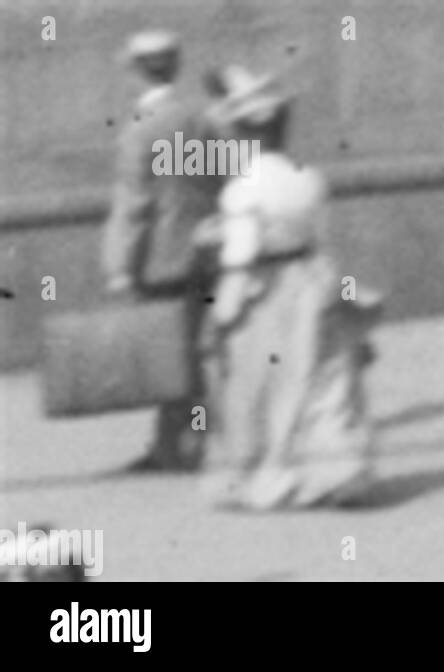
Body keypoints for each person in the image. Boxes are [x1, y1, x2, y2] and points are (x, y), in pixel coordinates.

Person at [197, 76, 382, 510]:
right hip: (311, 281)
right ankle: (335, 471)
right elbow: (319, 239)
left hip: (265, 292)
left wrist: (222, 313)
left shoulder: (241, 189)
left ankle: (271, 476)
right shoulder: (309, 178)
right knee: (320, 382)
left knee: (262, 388)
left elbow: (240, 257)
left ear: (245, 135)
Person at [101, 30, 224, 472]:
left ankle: (179, 448)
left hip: (160, 257)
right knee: (191, 351)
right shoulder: (205, 119)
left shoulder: (141, 130)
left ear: (137, 72)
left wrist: (119, 269)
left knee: (171, 356)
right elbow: (219, 182)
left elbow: (134, 207)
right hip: (206, 252)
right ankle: (184, 442)